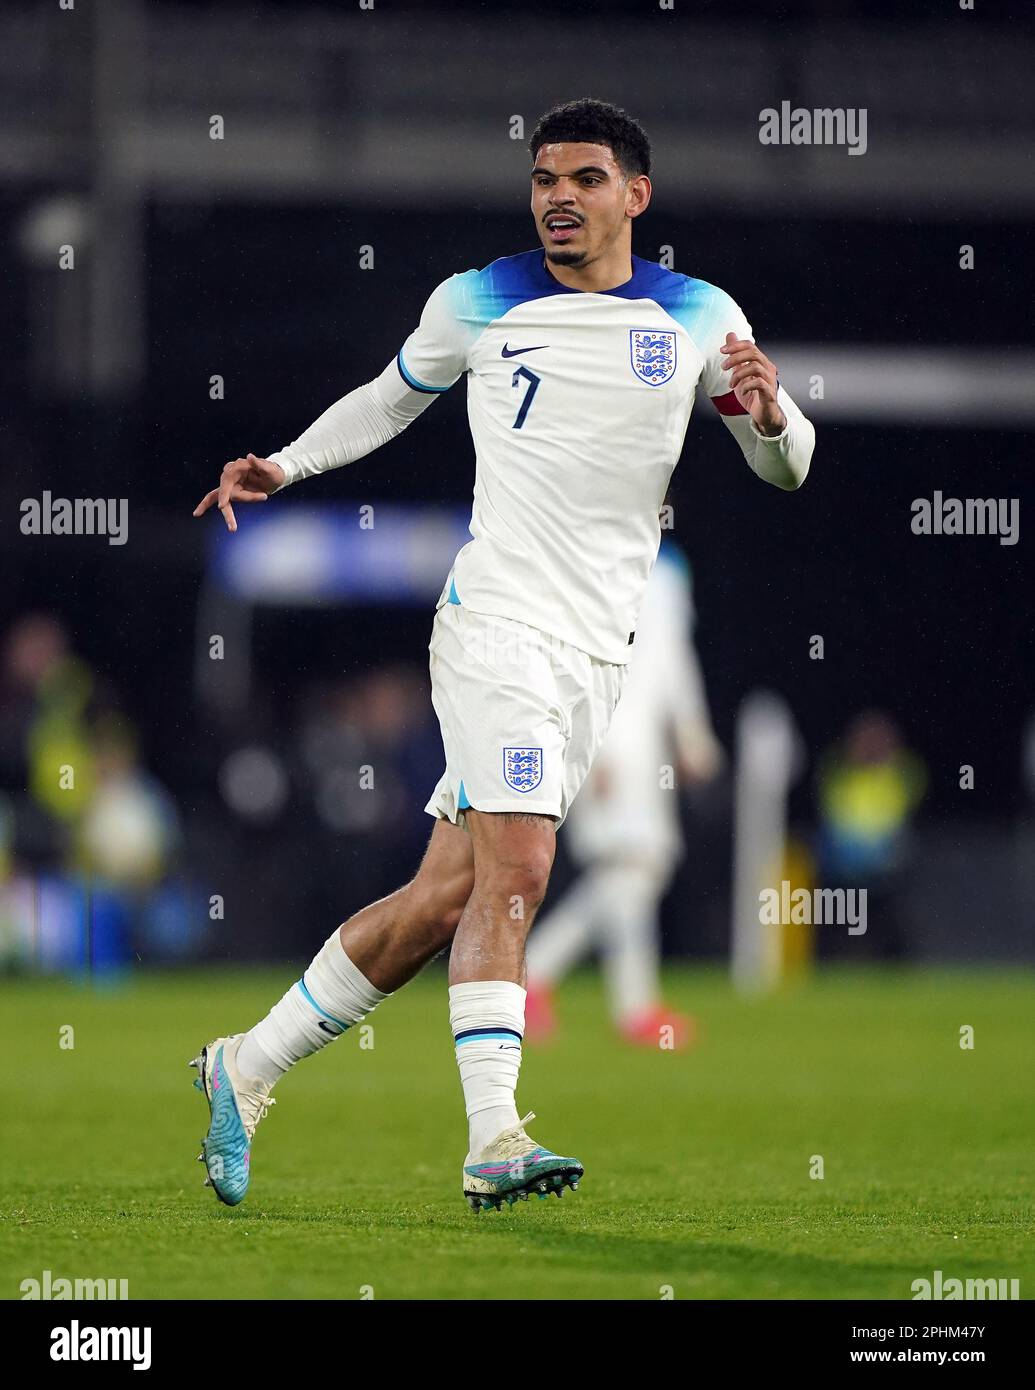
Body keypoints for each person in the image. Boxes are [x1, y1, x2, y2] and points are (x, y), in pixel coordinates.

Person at [190, 98, 815, 1213]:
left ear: (637, 196)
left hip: (595, 657)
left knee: (446, 897)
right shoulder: (478, 297)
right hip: (497, 625)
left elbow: (788, 471)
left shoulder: (696, 315)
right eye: (541, 179)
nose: (557, 198)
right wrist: (281, 466)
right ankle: (493, 1137)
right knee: (521, 868)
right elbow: (388, 402)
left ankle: (245, 1065)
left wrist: (773, 420)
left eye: (582, 178)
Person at [525, 539, 722, 1049]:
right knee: (635, 866)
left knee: (630, 871)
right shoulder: (603, 559)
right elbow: (582, 657)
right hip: (613, 738)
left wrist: (685, 735)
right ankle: (633, 1008)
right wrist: (600, 745)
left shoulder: (656, 565)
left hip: (637, 742)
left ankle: (539, 979)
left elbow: (664, 661)